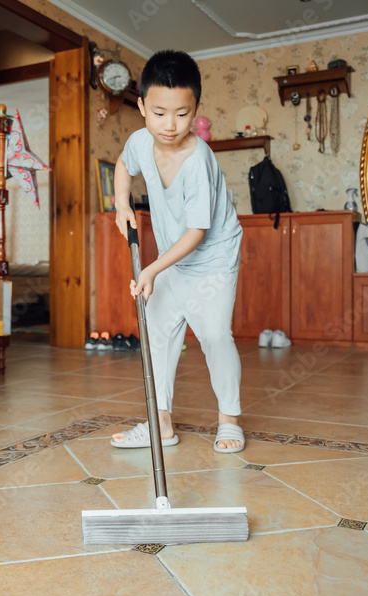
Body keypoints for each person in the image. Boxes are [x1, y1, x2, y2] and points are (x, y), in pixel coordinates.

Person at [110, 50, 245, 453]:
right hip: (173, 254)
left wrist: (150, 270)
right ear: (142, 107)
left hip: (212, 256)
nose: (170, 125)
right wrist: (121, 204)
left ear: (196, 109)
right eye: (159, 113)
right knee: (157, 332)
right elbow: (122, 165)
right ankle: (161, 423)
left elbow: (197, 233)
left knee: (215, 335)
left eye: (182, 114)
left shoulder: (198, 161)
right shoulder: (140, 141)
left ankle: (230, 421)